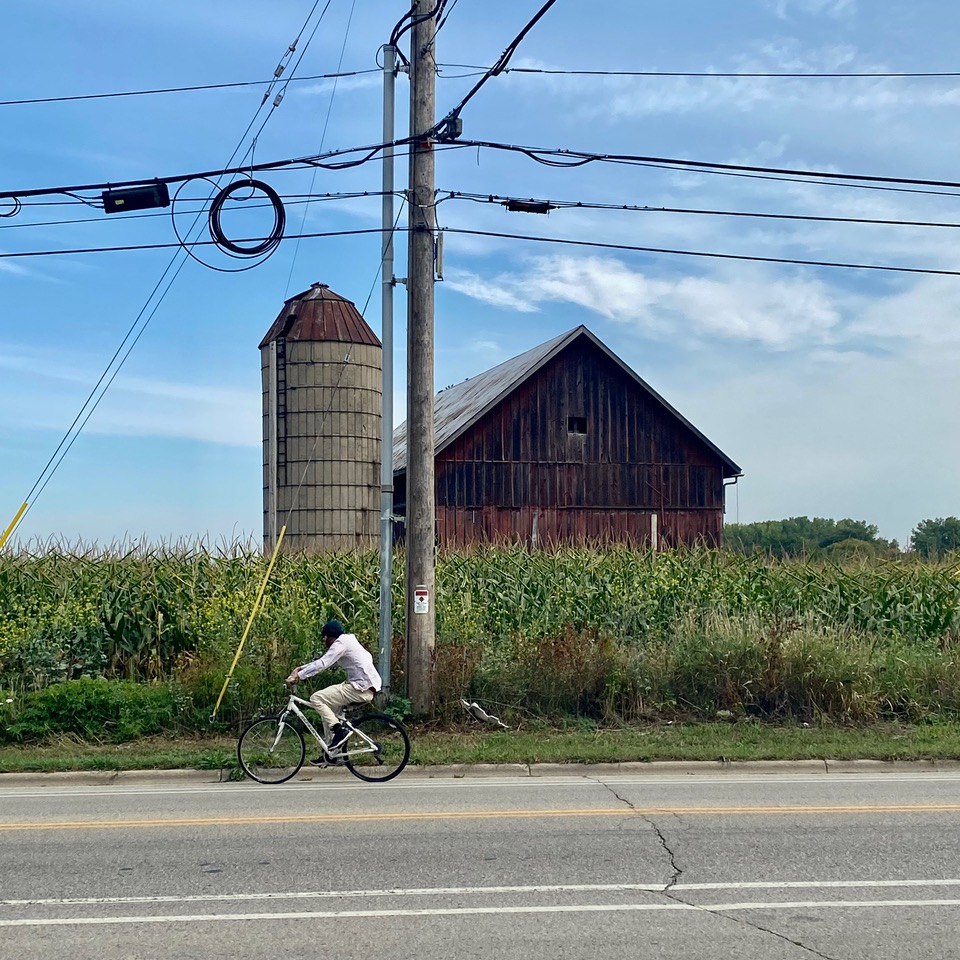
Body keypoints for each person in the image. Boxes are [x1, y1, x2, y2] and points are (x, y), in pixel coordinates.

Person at [286, 619, 381, 766]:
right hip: (361, 686)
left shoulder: (340, 644)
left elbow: (323, 664)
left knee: (316, 698)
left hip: (360, 688)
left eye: (325, 637)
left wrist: (299, 675)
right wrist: (300, 669)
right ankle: (331, 754)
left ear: (331, 636)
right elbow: (324, 660)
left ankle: (339, 730)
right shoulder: (347, 641)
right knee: (328, 711)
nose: (324, 641)